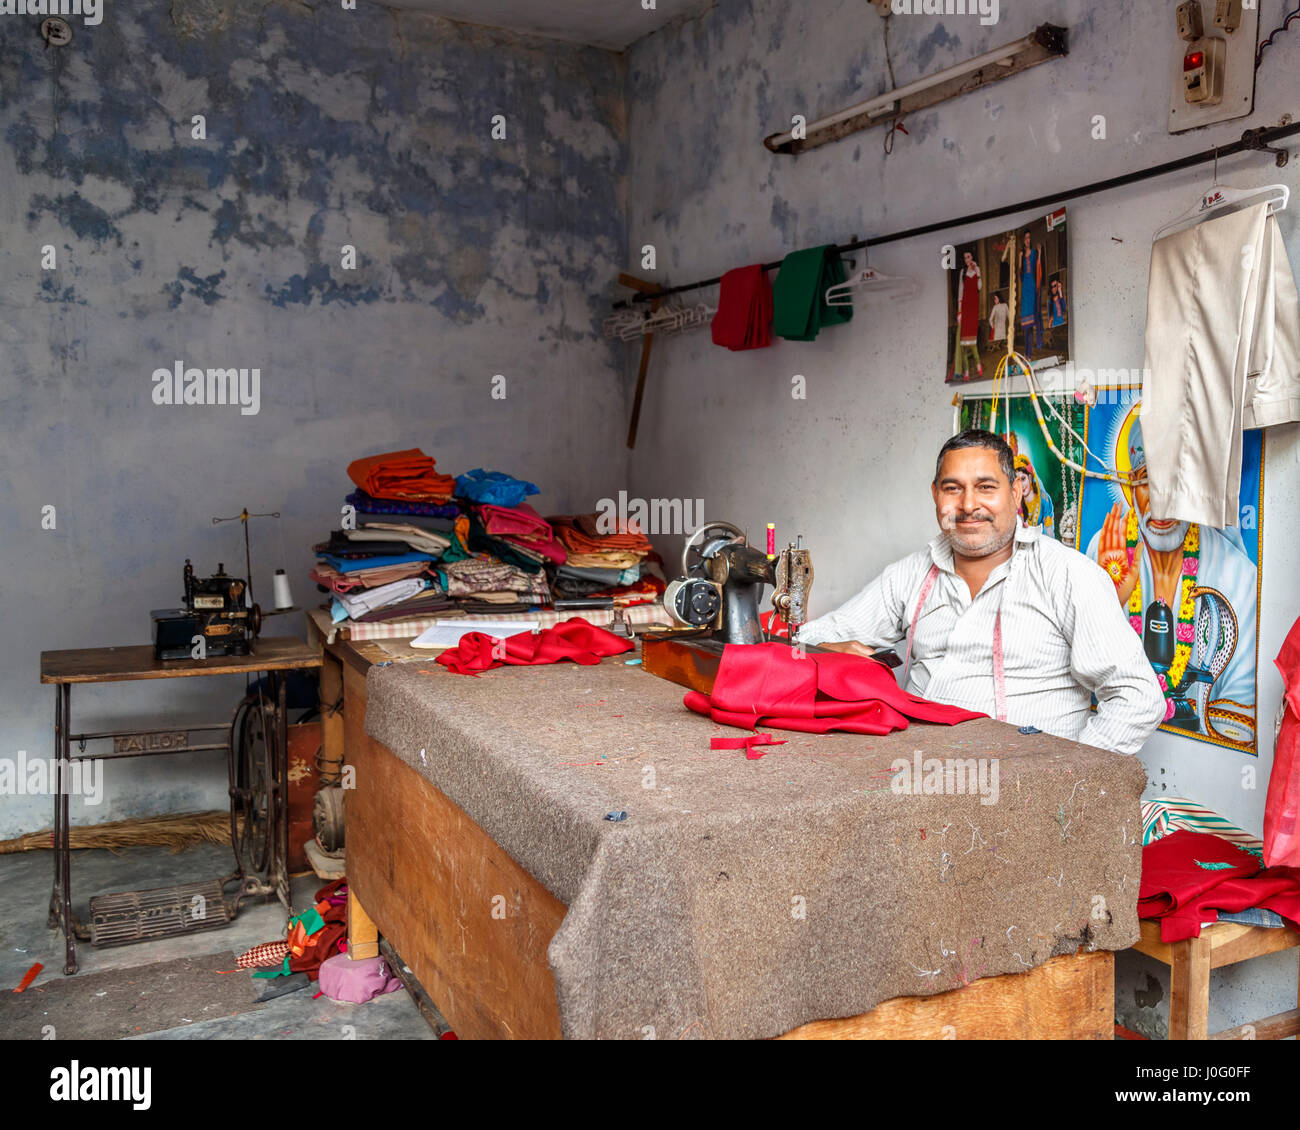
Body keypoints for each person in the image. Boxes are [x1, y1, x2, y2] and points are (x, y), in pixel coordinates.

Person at [796, 429, 1165, 754]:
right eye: (952, 488)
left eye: (986, 487)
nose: (968, 505)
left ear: (1017, 493)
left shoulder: (1068, 575)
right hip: (916, 777)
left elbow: (1138, 698)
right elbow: (806, 641)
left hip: (1024, 795)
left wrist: (1068, 777)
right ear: (935, 495)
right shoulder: (911, 574)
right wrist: (832, 652)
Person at [1085, 416, 1257, 743]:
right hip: (1114, 741)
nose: (1161, 500)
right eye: (1148, 478)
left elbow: (1242, 708)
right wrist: (1112, 599)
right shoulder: (1108, 551)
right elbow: (1084, 671)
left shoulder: (1236, 576)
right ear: (1131, 489)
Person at [954, 250, 983, 380]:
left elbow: (980, 286)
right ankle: (966, 371)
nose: (967, 259)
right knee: (964, 342)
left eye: (969, 256)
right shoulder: (962, 272)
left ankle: (978, 363)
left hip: (973, 307)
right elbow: (960, 292)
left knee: (972, 341)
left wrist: (977, 271)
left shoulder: (977, 269)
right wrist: (959, 311)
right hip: (965, 307)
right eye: (965, 257)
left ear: (972, 257)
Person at [1018, 230, 1044, 352]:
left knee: (1031, 323)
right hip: (1025, 290)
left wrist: (1039, 253)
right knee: (1026, 324)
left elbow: (1037, 266)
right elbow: (1021, 276)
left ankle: (1029, 354)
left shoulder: (1033, 253)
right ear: (1023, 241)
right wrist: (1019, 259)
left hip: (1033, 288)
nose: (1028, 240)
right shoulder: (1021, 255)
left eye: (1029, 237)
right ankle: (1026, 352)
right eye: (1026, 238)